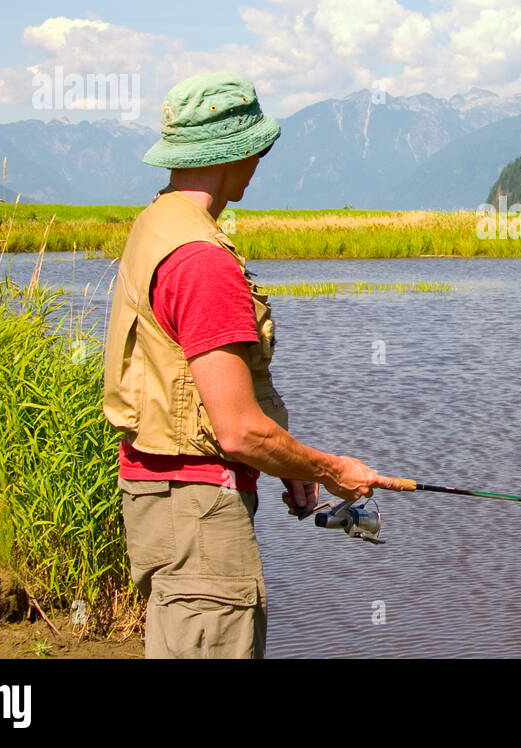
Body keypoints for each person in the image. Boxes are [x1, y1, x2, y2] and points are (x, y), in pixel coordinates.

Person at [102, 71, 410, 658]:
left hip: (160, 502)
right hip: (199, 516)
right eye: (259, 147)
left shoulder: (155, 225)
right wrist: (330, 470)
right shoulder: (204, 262)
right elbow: (238, 428)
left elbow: (191, 390)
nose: (261, 161)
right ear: (240, 151)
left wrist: (286, 462)